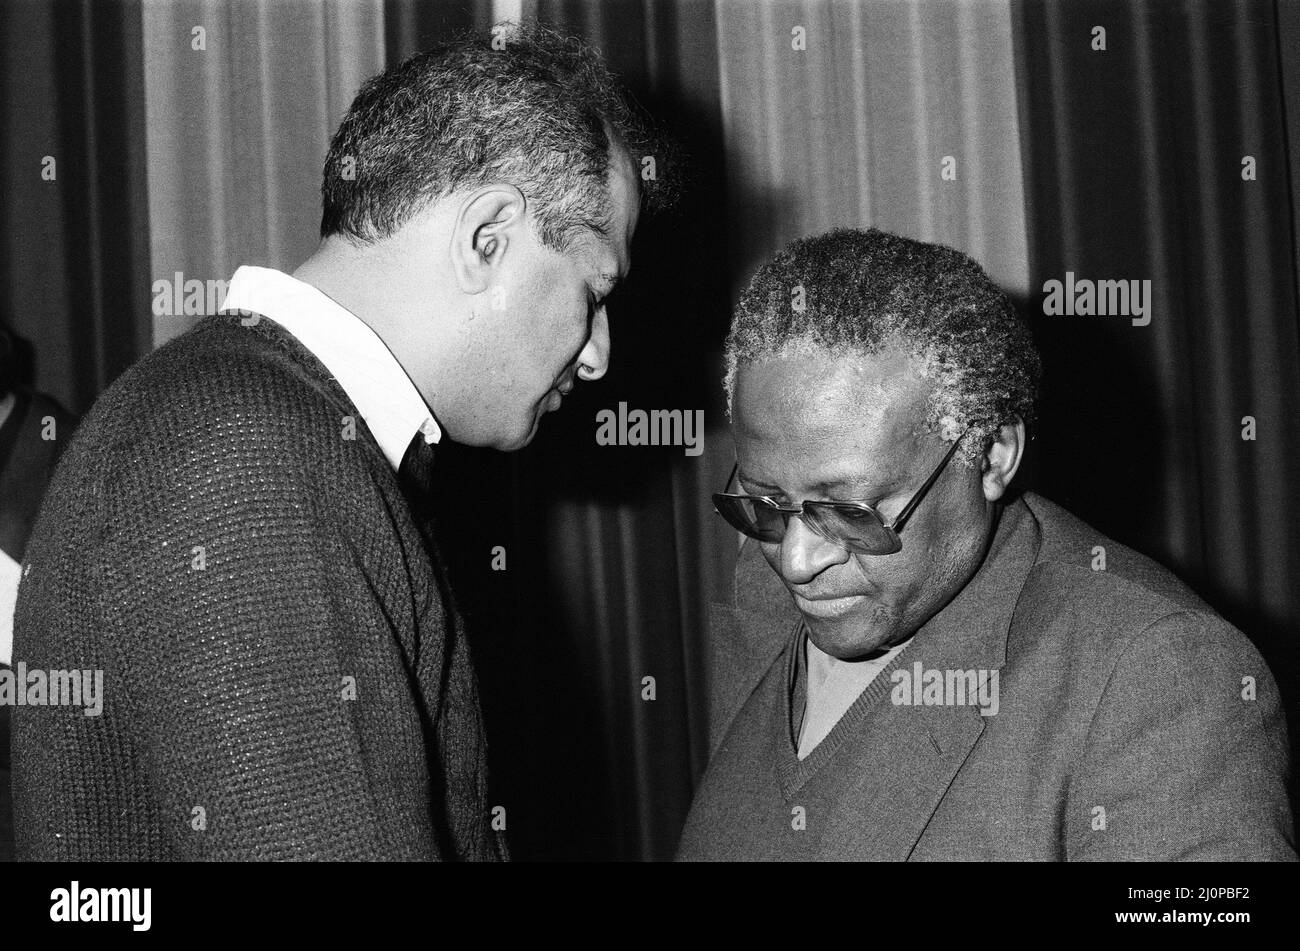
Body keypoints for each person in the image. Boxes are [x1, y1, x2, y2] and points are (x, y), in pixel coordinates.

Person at [12, 25, 664, 860]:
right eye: (595, 288)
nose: (602, 352)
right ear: (487, 237)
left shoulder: (271, 428)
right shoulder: (245, 455)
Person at [677, 228, 1295, 861]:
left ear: (993, 453)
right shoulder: (762, 586)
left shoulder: (1157, 677)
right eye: (764, 501)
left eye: (849, 510)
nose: (797, 561)